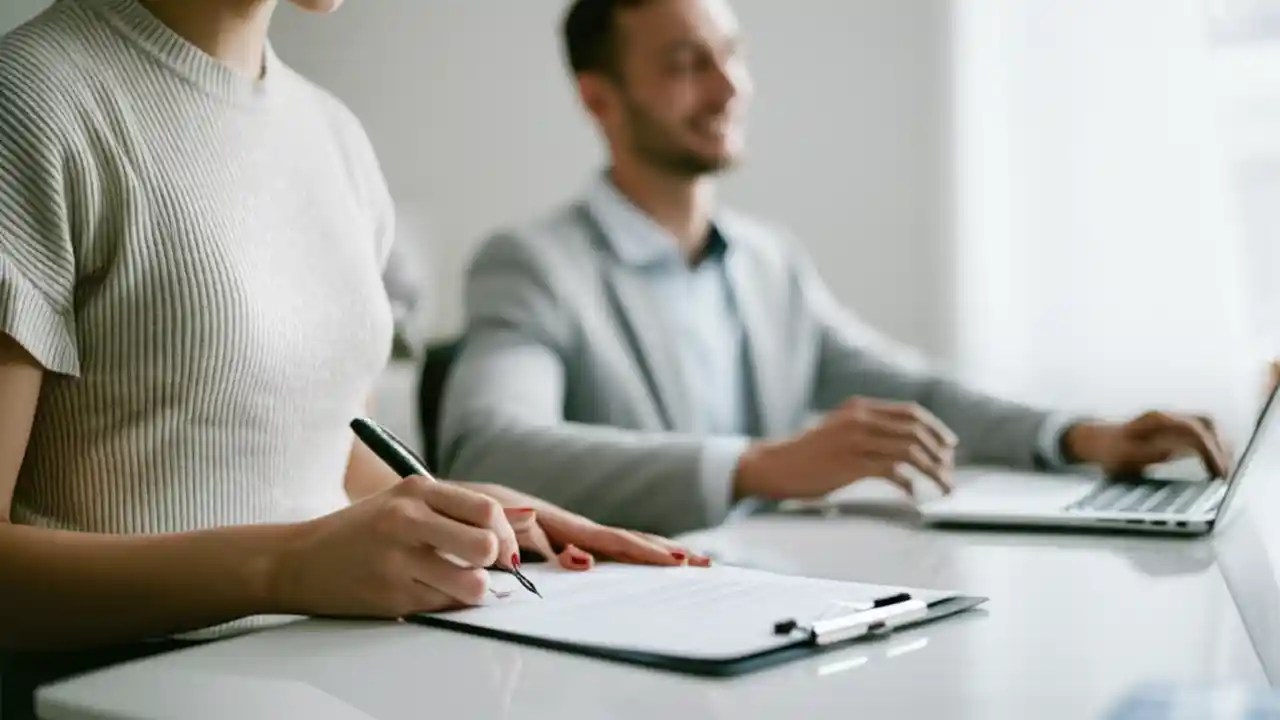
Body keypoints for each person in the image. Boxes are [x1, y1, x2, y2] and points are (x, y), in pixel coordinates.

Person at [0, 0, 706, 713]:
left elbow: (331, 457)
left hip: (332, 675)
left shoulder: (334, 135)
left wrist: (457, 510)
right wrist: (284, 565)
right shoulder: (32, 100)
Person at [439, 0, 1232, 537]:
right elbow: (491, 452)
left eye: (732, 55)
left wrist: (1079, 436)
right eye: (688, 64)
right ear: (599, 98)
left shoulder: (766, 262)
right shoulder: (534, 266)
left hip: (780, 592)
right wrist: (758, 467)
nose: (729, 88)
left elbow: (913, 390)